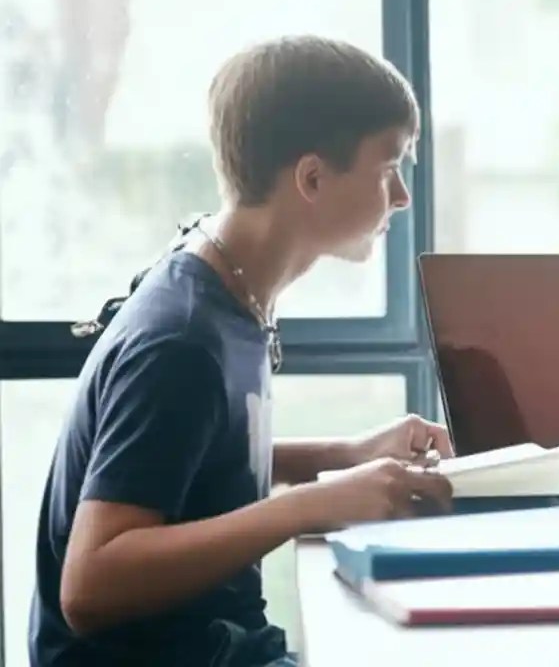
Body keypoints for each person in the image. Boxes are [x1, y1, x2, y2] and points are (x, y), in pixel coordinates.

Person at [30, 35, 455, 667]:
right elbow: (90, 586)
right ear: (312, 178)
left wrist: (342, 456)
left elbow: (188, 463)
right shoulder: (181, 341)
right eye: (389, 168)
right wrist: (306, 507)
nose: (402, 197)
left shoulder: (226, 285)